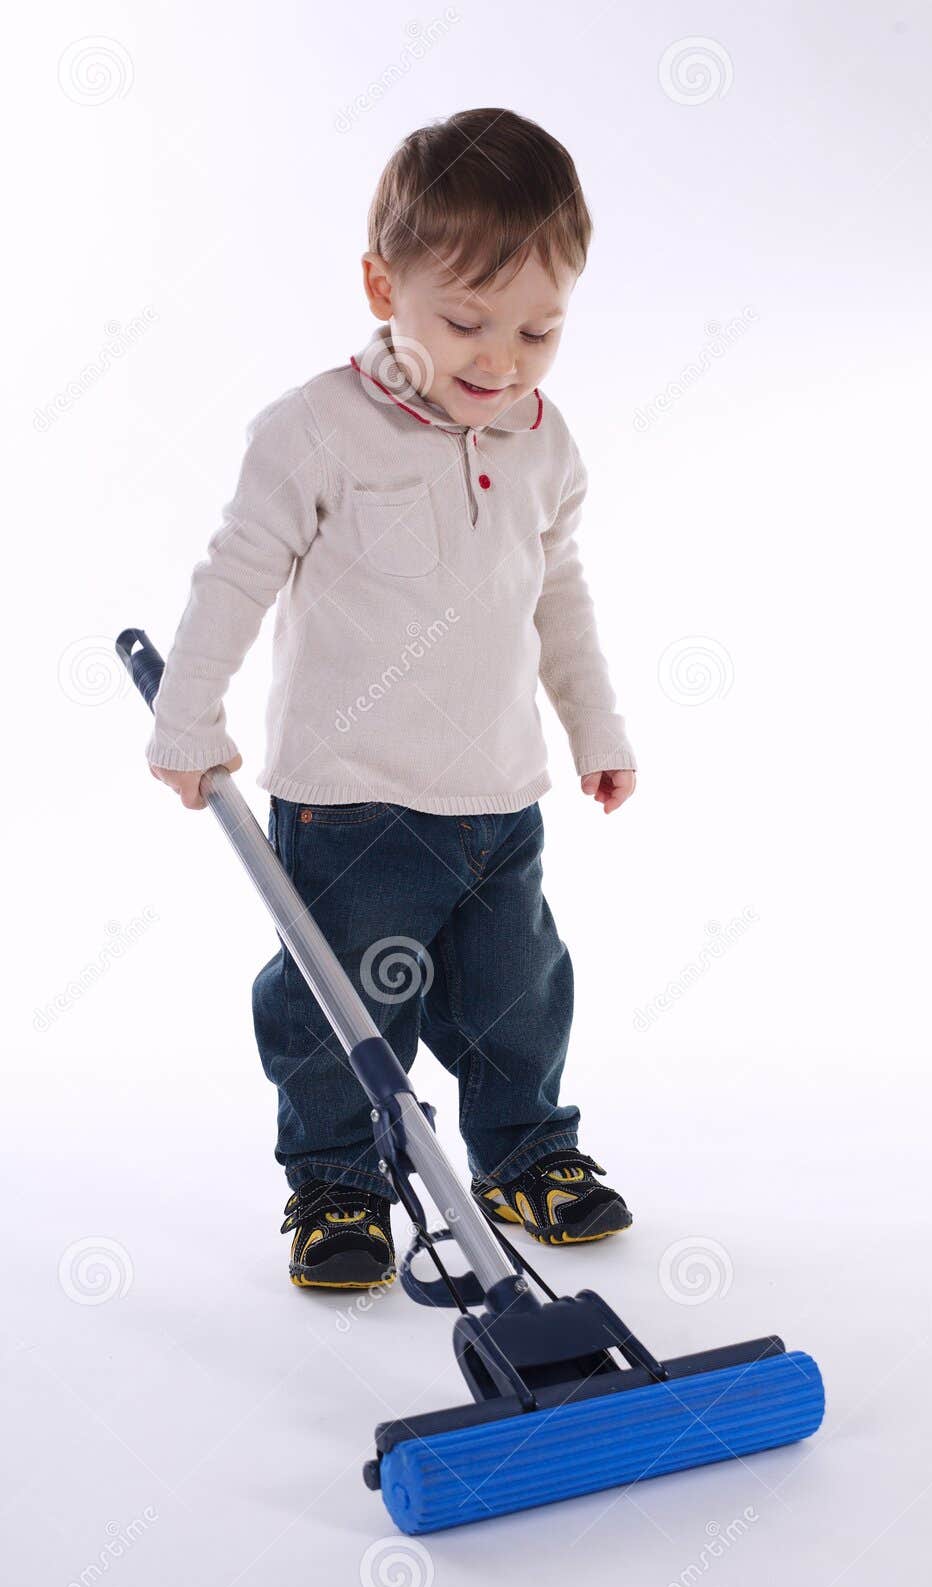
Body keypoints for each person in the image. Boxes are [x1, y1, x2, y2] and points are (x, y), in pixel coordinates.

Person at [147, 108, 637, 1288]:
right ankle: (339, 1182)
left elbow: (556, 593)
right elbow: (238, 571)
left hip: (499, 800)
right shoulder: (318, 429)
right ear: (383, 286)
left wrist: (595, 725)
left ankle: (524, 1151)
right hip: (352, 804)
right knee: (341, 1012)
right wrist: (188, 714)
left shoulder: (543, 443)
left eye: (538, 330)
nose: (501, 360)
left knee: (516, 997)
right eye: (465, 321)